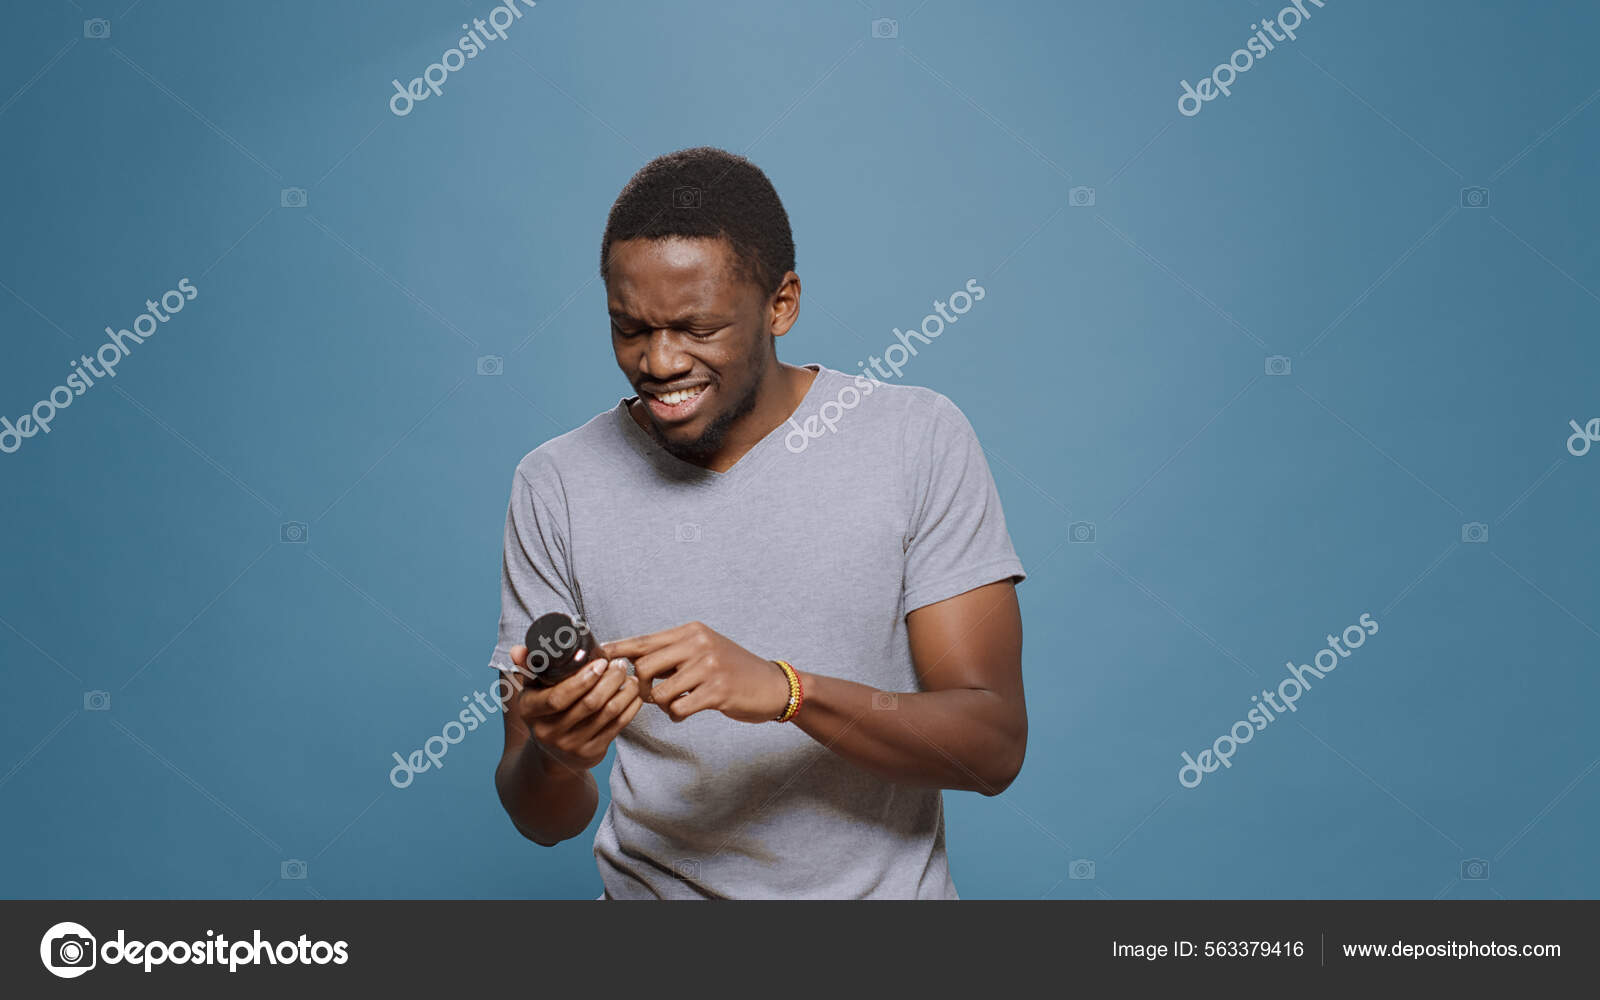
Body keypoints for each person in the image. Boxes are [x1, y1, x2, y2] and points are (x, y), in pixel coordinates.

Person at [489, 146, 1027, 898]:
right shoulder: (556, 484)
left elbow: (991, 747)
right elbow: (543, 817)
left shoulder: (917, 438)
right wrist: (556, 756)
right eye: (629, 328)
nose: (659, 361)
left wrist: (787, 690)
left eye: (696, 327)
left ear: (782, 304)